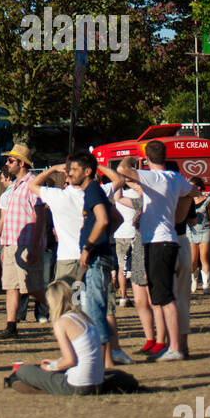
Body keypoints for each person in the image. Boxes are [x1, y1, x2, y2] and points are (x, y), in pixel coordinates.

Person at [101, 141, 194, 360]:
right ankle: (172, 345)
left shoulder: (154, 177)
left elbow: (122, 170)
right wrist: (178, 215)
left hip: (159, 242)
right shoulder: (175, 178)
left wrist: (132, 157)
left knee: (164, 296)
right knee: (162, 295)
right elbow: (193, 191)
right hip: (164, 240)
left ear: (148, 159)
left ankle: (174, 349)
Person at [65, 153, 128, 368]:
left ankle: (101, 365)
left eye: (73, 170)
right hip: (99, 255)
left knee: (94, 310)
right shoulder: (95, 191)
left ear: (87, 171)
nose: (69, 173)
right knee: (97, 309)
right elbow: (116, 218)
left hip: (96, 258)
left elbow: (102, 220)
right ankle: (108, 362)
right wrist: (103, 240)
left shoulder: (92, 190)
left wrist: (89, 246)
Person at [6, 279, 105, 395]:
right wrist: (56, 362)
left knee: (23, 370)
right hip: (98, 383)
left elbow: (70, 360)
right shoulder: (84, 318)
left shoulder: (62, 323)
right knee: (42, 371)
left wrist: (51, 367)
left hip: (77, 385)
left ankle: (34, 386)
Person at [0, 145, 46, 339]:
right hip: (11, 242)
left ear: (21, 163)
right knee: (11, 286)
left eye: (10, 161)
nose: (7, 164)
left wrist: (34, 245)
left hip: (26, 243)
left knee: (32, 287)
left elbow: (40, 215)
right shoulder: (15, 186)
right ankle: (11, 326)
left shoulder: (33, 184)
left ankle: (62, 311)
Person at [187, 177, 210, 292]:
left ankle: (206, 285)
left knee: (204, 258)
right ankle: (194, 282)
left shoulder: (208, 200)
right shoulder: (187, 200)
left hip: (204, 230)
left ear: (198, 187)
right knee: (193, 260)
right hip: (191, 231)